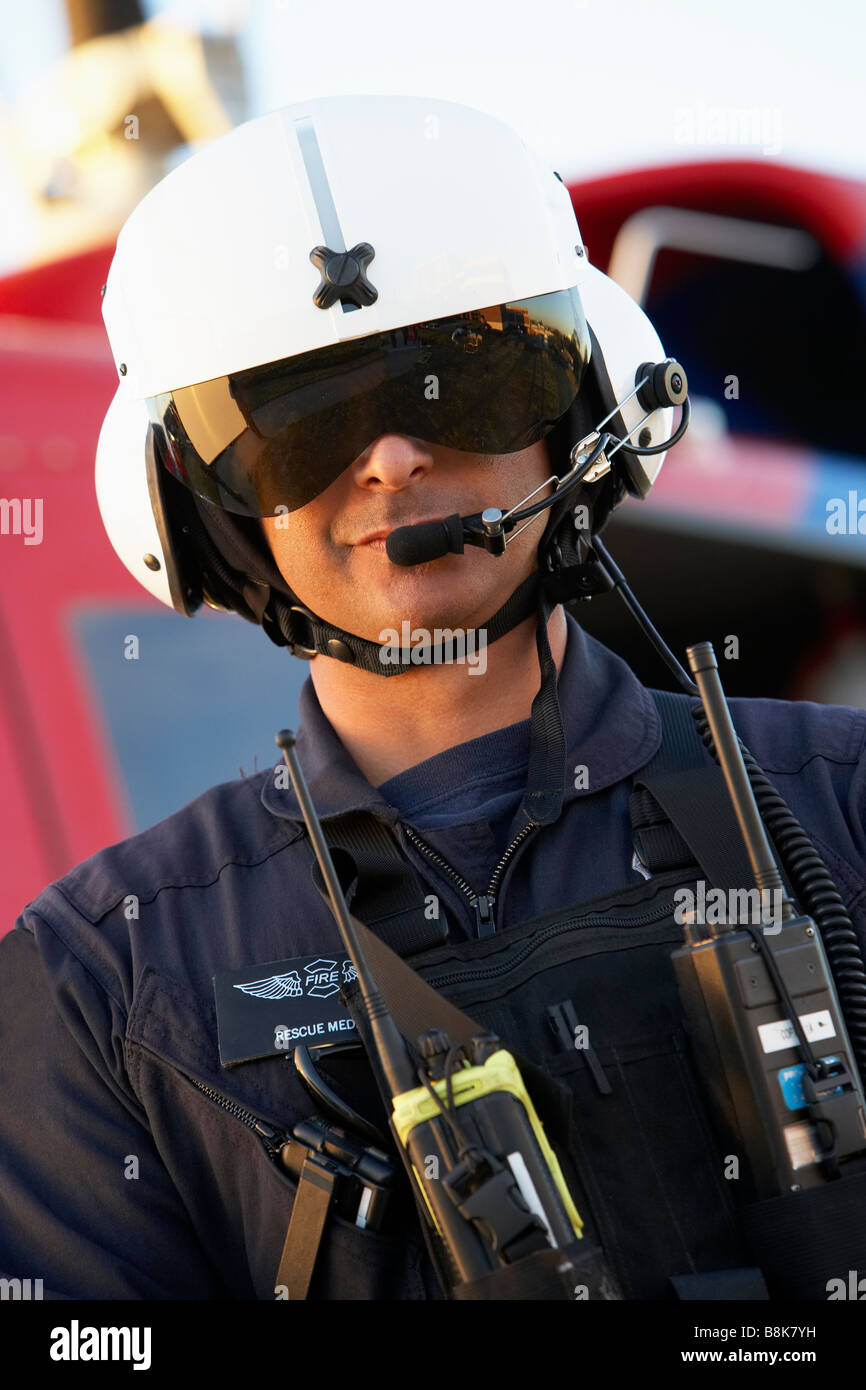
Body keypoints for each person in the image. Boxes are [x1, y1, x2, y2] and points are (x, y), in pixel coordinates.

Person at [1, 93, 865, 1302]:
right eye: (296, 427)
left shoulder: (840, 807)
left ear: (579, 411)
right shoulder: (97, 986)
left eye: (459, 384)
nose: (393, 459)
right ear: (199, 508)